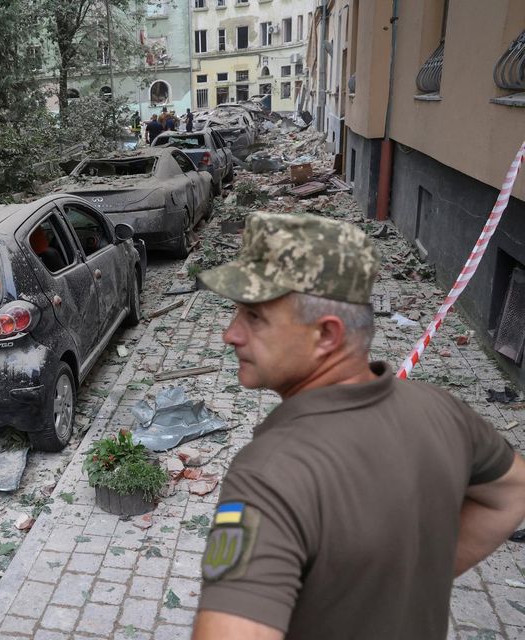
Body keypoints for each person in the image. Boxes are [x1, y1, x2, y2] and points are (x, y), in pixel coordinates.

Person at [192, 212, 525, 640]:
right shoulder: (442, 409)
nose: (229, 334)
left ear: (327, 336)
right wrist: (412, 581)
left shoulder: (269, 475)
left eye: (254, 317)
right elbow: (513, 491)